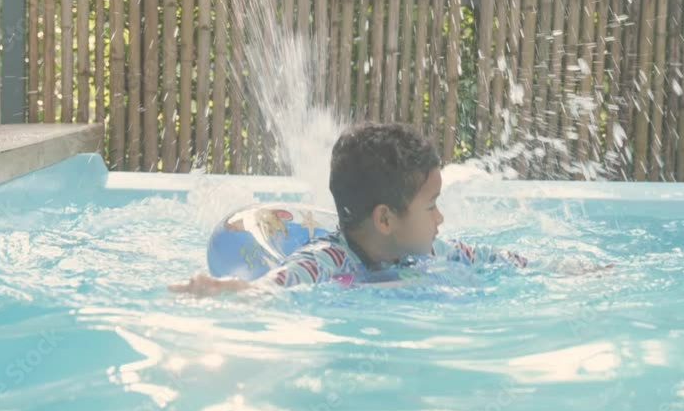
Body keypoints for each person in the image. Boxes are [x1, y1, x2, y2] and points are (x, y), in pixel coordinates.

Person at [169, 122, 533, 296]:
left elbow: (492, 258)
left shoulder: (434, 251)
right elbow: (276, 286)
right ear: (385, 219)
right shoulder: (326, 261)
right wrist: (222, 289)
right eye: (432, 207)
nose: (440, 219)